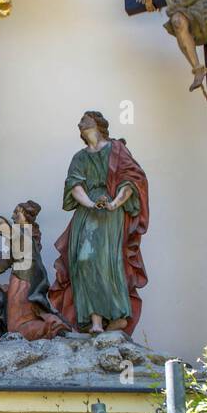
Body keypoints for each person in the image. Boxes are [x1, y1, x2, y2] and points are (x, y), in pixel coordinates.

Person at [49, 111, 150, 335]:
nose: (80, 123)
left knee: (107, 261)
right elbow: (75, 185)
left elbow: (132, 180)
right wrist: (90, 204)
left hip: (112, 215)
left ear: (97, 124)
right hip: (87, 214)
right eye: (80, 122)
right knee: (83, 261)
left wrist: (114, 203)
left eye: (85, 120)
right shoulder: (80, 157)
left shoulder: (117, 150)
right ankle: (94, 321)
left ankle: (116, 315)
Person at [0, 200, 68, 340]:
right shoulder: (26, 236)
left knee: (18, 324)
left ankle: (52, 326)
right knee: (19, 320)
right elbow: (8, 257)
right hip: (23, 278)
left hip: (22, 280)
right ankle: (51, 326)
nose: (13, 216)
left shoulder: (22, 233)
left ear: (25, 215)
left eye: (16, 213)